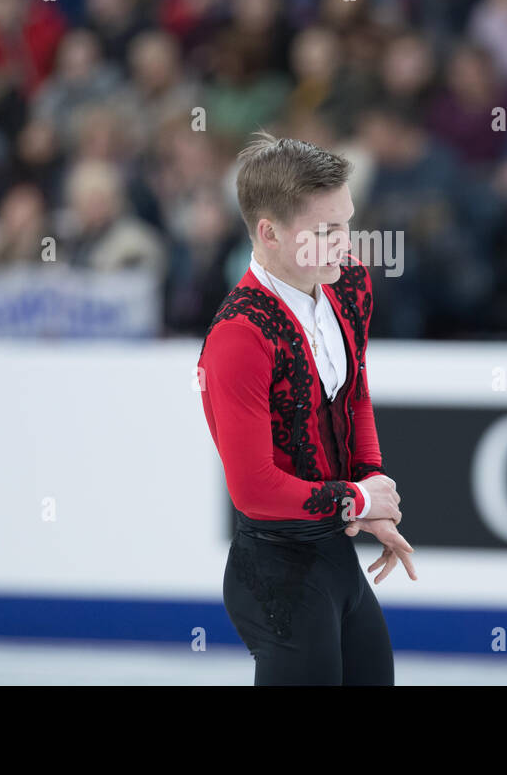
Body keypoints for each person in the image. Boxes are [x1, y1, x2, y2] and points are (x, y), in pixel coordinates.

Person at [197, 133, 414, 685]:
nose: (345, 245)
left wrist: (371, 484)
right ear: (269, 232)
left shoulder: (349, 285)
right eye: (325, 232)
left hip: (336, 561)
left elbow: (354, 393)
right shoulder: (240, 335)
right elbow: (254, 489)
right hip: (276, 573)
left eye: (347, 224)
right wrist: (356, 498)